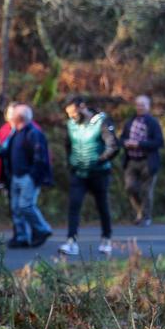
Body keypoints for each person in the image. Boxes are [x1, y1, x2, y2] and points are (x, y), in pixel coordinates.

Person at [60, 96, 120, 256]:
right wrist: (70, 163)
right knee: (74, 206)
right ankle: (71, 241)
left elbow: (113, 146)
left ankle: (106, 239)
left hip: (99, 173)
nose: (72, 117)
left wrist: (99, 160)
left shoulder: (102, 121)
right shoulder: (71, 125)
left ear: (82, 106)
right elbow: (67, 145)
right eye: (69, 114)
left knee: (102, 206)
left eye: (73, 113)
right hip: (78, 173)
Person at [0, 104, 53, 248]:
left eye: (13, 115)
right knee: (16, 208)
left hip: (27, 177)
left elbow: (40, 158)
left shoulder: (33, 133)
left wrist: (32, 177)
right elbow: (5, 152)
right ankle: (21, 236)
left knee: (26, 206)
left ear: (19, 117)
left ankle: (43, 229)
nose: (10, 118)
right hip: (15, 176)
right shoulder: (15, 133)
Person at [120, 95, 164, 227]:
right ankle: (140, 211)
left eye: (143, 105)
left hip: (148, 161)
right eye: (138, 104)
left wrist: (139, 144)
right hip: (132, 161)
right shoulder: (129, 122)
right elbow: (121, 139)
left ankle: (145, 216)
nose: (140, 107)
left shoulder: (153, 123)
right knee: (130, 187)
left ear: (148, 107)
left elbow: (159, 142)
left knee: (146, 190)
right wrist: (125, 143)